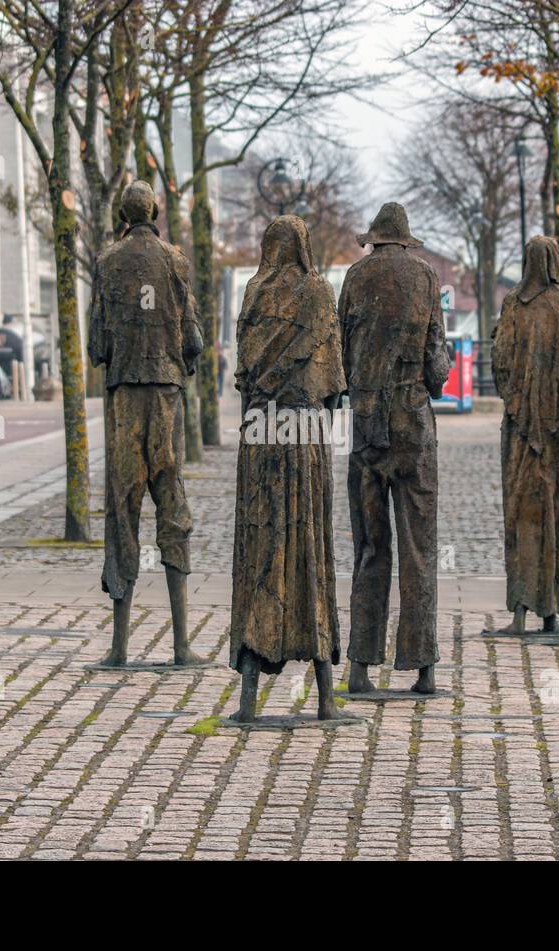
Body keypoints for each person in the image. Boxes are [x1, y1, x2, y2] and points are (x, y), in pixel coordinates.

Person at [229, 215, 350, 722]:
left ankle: (250, 700)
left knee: (261, 553)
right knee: (311, 551)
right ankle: (324, 697)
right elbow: (335, 384)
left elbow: (241, 374)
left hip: (259, 436)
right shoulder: (319, 294)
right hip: (304, 438)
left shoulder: (254, 295)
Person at [88, 181, 205, 667]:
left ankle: (119, 648)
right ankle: (181, 646)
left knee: (122, 510)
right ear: (155, 211)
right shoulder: (176, 261)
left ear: (121, 214)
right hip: (166, 397)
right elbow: (193, 338)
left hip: (123, 400)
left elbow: (97, 343)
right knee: (171, 505)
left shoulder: (107, 262)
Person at [339, 202, 451, 694]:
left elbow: (340, 353)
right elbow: (437, 362)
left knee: (369, 547)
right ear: (405, 240)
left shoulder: (353, 278)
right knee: (420, 548)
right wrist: (432, 381)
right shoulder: (425, 278)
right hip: (412, 426)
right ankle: (422, 667)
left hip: (366, 427)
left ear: (374, 240)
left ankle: (361, 665)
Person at [484, 235, 559, 637]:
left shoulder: (513, 303)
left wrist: (515, 401)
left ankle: (522, 609)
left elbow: (500, 359)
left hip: (522, 428)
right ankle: (552, 610)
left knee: (523, 513)